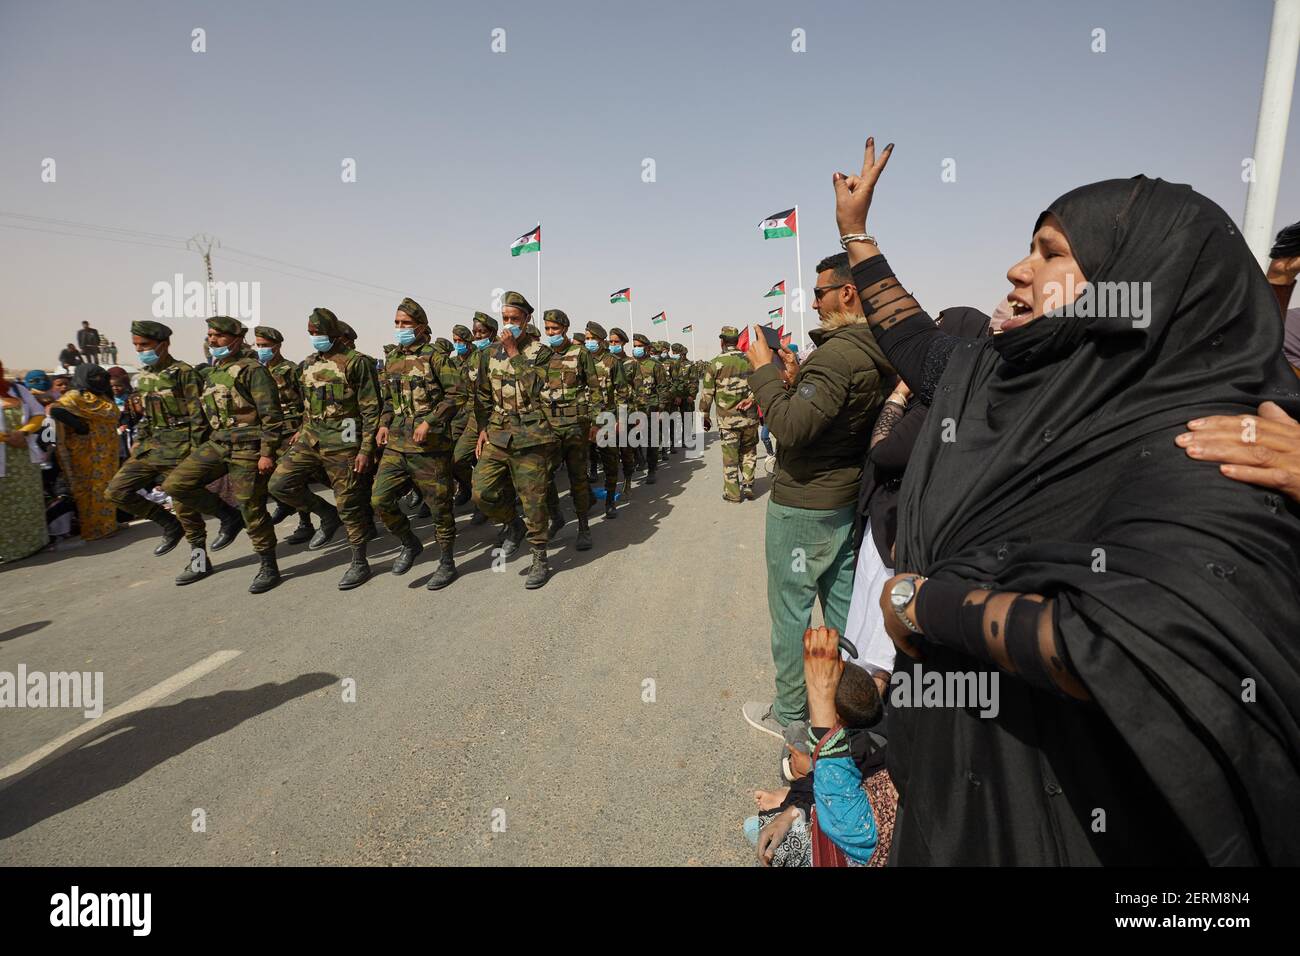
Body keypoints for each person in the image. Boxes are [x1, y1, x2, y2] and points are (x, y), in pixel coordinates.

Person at [837, 137, 1300, 864]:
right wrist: (857, 235)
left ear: (1138, 280)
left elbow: (1116, 650)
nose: (1018, 270)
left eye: (1051, 252)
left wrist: (917, 606)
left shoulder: (1211, 444)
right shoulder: (1009, 381)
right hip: (950, 804)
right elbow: (917, 342)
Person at [739, 252, 893, 747]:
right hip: (843, 501)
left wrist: (763, 370)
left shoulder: (836, 354)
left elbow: (790, 427)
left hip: (803, 503)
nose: (816, 302)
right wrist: (792, 382)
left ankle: (791, 714)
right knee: (844, 606)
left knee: (791, 611)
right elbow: (831, 416)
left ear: (848, 292)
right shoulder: (875, 349)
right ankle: (848, 705)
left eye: (821, 292)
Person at [162, 317, 285, 592]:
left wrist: (267, 453)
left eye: (218, 335)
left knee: (251, 507)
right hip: (217, 444)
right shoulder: (213, 372)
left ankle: (268, 565)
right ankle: (226, 517)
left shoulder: (253, 370)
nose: (213, 340)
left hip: (247, 447)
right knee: (175, 485)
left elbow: (271, 416)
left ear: (237, 339)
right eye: (210, 335)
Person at [267, 308, 381, 589]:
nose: (314, 337)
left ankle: (359, 561)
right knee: (280, 483)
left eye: (318, 332)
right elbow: (307, 406)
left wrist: (365, 449)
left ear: (332, 331)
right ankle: (325, 514)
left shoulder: (356, 363)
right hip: (311, 438)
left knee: (349, 502)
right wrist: (302, 431)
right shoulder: (306, 365)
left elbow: (370, 410)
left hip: (344, 439)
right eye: (310, 333)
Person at [105, 321, 231, 557]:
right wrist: (139, 444)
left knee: (186, 509)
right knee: (116, 492)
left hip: (180, 448)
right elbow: (145, 418)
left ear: (164, 344)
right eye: (136, 345)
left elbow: (199, 417)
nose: (141, 350)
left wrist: (194, 453)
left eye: (145, 344)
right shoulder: (143, 377)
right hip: (151, 448)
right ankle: (168, 524)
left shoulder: (183, 373)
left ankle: (199, 559)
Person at [371, 297, 462, 589]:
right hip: (397, 443)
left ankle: (447, 561)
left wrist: (430, 421)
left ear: (421, 326)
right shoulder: (393, 358)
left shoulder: (436, 357)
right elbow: (388, 400)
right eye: (397, 323)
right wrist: (384, 424)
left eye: (406, 324)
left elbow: (456, 395)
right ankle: (409, 542)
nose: (400, 328)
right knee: (380, 499)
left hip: (430, 446)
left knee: (439, 507)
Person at [471, 291, 558, 589]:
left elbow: (542, 391)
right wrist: (483, 428)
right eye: (505, 319)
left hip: (531, 435)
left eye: (514, 319)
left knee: (533, 499)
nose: (508, 324)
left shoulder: (541, 353)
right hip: (497, 432)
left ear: (527, 319)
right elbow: (482, 394)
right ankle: (513, 525)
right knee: (482, 492)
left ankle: (540, 557)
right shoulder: (488, 354)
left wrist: (513, 353)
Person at [540, 308, 606, 551]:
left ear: (565, 329)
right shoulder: (543, 355)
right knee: (544, 476)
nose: (550, 333)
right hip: (549, 428)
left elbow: (595, 389)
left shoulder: (579, 353)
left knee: (577, 478)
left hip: (576, 427)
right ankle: (556, 516)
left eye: (554, 329)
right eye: (547, 329)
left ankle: (583, 527)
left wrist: (597, 422)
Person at [255, 325, 316, 544]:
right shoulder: (257, 372)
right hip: (271, 432)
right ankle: (285, 505)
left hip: (291, 431)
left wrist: (302, 429)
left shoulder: (290, 370)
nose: (261, 349)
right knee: (267, 475)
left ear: (277, 346)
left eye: (265, 346)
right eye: (258, 345)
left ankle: (305, 522)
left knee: (294, 478)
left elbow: (308, 402)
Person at [48, 364, 120, 541]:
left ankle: (108, 524)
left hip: (107, 453)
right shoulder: (75, 395)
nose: (100, 381)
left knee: (106, 487)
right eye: (95, 377)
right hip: (87, 453)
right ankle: (94, 529)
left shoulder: (102, 395)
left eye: (103, 377)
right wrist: (79, 426)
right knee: (90, 489)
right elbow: (56, 410)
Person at [698, 326, 758, 502]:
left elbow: (707, 394)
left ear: (722, 341)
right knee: (749, 451)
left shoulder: (715, 363)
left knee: (730, 457)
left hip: (727, 420)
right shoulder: (750, 360)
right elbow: (760, 385)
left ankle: (733, 494)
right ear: (737, 341)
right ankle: (748, 484)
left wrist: (705, 416)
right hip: (750, 418)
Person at [0, 362, 49, 563]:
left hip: (23, 457)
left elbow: (38, 413)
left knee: (27, 499)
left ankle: (32, 544)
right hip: (6, 451)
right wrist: (6, 438)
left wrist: (23, 432)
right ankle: (8, 550)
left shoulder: (16, 389)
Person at [585, 321, 633, 517]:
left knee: (610, 461)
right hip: (585, 419)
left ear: (601, 340)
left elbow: (623, 392)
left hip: (608, 418)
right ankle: (585, 499)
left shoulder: (612, 362)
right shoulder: (581, 359)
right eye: (586, 339)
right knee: (580, 462)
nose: (589, 342)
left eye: (592, 339)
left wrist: (622, 419)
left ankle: (610, 501)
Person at [632, 333, 668, 482]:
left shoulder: (655, 365)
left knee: (651, 440)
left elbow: (662, 388)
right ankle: (640, 459)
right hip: (633, 408)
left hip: (651, 408)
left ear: (647, 348)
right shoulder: (628, 365)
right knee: (632, 439)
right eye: (634, 346)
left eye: (639, 346)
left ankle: (652, 469)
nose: (637, 349)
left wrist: (661, 408)